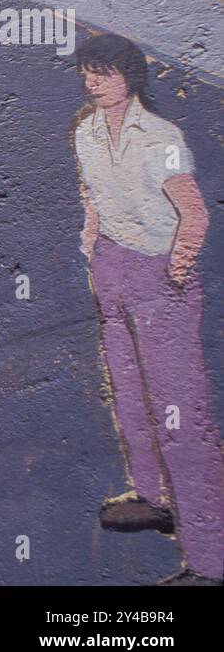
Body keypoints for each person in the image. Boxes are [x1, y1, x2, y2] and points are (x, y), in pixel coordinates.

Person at [70, 34, 223, 585]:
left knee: (180, 415)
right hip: (112, 267)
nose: (91, 81)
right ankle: (157, 500)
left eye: (102, 73)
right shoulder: (85, 130)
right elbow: (92, 197)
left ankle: (210, 557)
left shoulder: (160, 137)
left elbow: (195, 215)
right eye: (87, 72)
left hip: (160, 273)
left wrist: (175, 273)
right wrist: (92, 248)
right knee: (129, 395)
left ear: (128, 78)